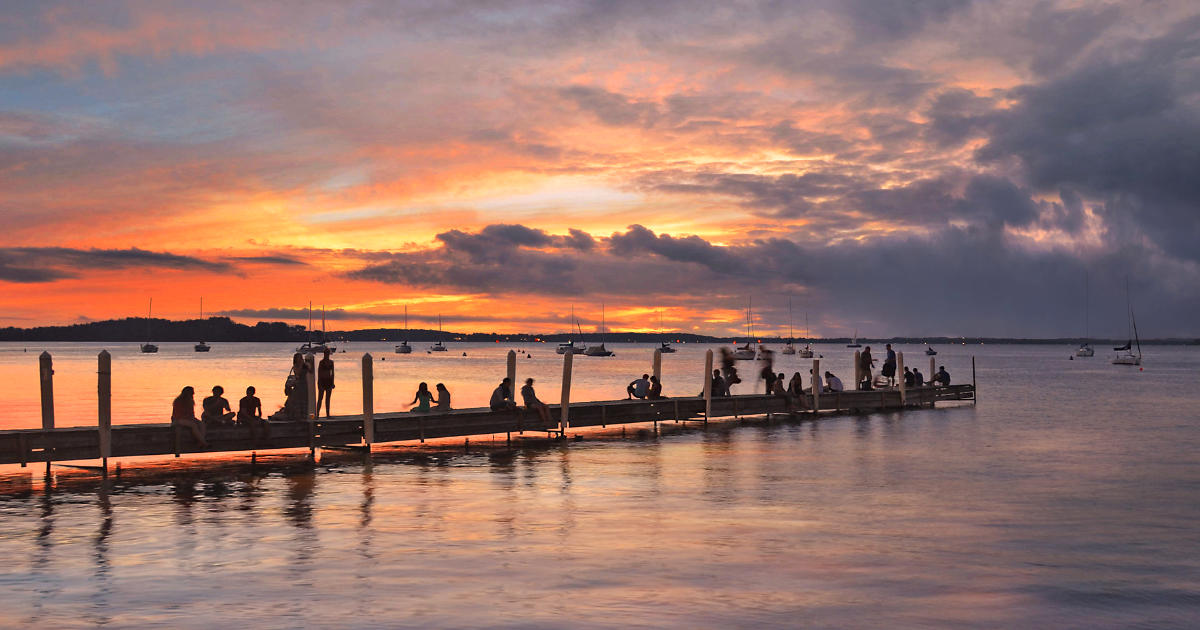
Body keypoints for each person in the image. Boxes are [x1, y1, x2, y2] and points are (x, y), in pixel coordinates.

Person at [283, 353, 310, 421]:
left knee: (304, 399)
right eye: (299, 357)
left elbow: (310, 371)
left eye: (301, 357)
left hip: (304, 384)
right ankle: (297, 415)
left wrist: (306, 364)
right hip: (298, 384)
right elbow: (298, 373)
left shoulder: (304, 366)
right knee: (298, 400)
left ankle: (304, 415)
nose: (300, 359)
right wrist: (301, 365)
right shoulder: (295, 366)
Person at [317, 348, 335, 418]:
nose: (326, 355)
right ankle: (317, 414)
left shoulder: (331, 362)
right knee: (320, 398)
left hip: (329, 381)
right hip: (322, 381)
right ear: (324, 354)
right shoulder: (321, 362)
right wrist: (319, 383)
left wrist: (333, 383)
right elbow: (319, 373)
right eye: (325, 353)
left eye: (328, 353)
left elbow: (332, 373)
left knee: (328, 399)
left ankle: (328, 414)